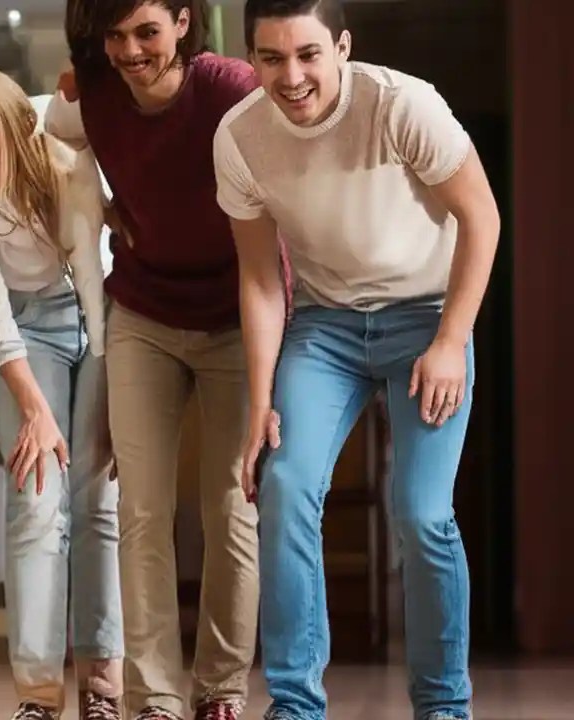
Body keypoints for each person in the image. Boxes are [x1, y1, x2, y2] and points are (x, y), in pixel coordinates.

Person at [213, 1, 500, 719]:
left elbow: (481, 217)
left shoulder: (403, 105)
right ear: (251, 57)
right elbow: (258, 279)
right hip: (325, 326)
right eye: (271, 58)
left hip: (427, 316)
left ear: (342, 46)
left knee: (423, 512)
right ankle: (295, 703)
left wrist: (450, 342)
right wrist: (259, 407)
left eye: (308, 54)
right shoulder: (240, 136)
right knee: (282, 488)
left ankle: (443, 705)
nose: (292, 76)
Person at [47, 1, 265, 717]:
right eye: (115, 36)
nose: (132, 50)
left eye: (146, 30)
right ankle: (158, 697)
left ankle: (222, 690)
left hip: (236, 318)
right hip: (143, 313)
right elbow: (36, 138)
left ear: (181, 20)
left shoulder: (229, 89)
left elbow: (280, 200)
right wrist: (101, 209)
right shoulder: (98, 91)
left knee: (230, 507)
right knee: (140, 509)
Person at [0, 66, 121, 720]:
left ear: (16, 123)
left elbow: (93, 276)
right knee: (38, 497)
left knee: (98, 495)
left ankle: (102, 684)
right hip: (19, 326)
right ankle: (39, 695)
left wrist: (108, 386)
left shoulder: (65, 155)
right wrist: (38, 412)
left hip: (100, 312)